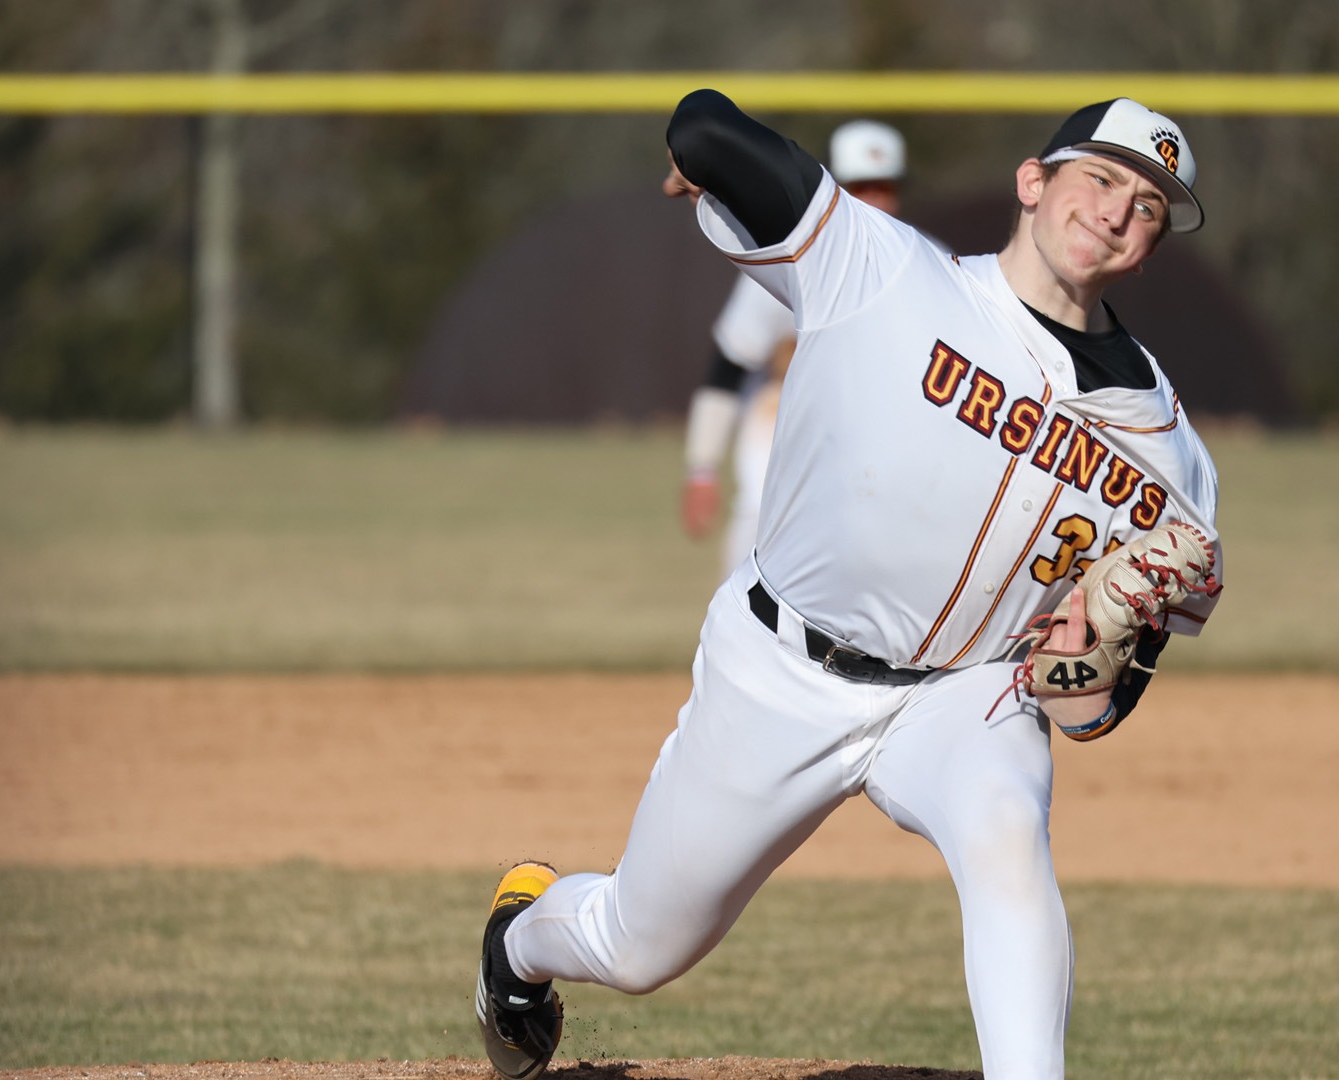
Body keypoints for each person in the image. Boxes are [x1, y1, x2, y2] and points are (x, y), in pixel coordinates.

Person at [476, 89, 1224, 1080]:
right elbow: (704, 122)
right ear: (1033, 182)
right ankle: (518, 947)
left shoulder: (1171, 454)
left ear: (1155, 242)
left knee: (1006, 833)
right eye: (1101, 178)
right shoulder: (881, 266)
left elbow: (1104, 694)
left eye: (1148, 206)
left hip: (964, 695)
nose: (1119, 210)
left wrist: (1090, 678)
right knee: (639, 944)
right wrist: (710, 157)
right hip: (784, 665)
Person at [681, 119, 913, 580]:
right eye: (859, 186)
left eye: (883, 186)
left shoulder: (927, 262)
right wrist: (701, 469)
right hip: (784, 416)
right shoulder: (792, 263)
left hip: (883, 424)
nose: (874, 199)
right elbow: (729, 366)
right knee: (757, 524)